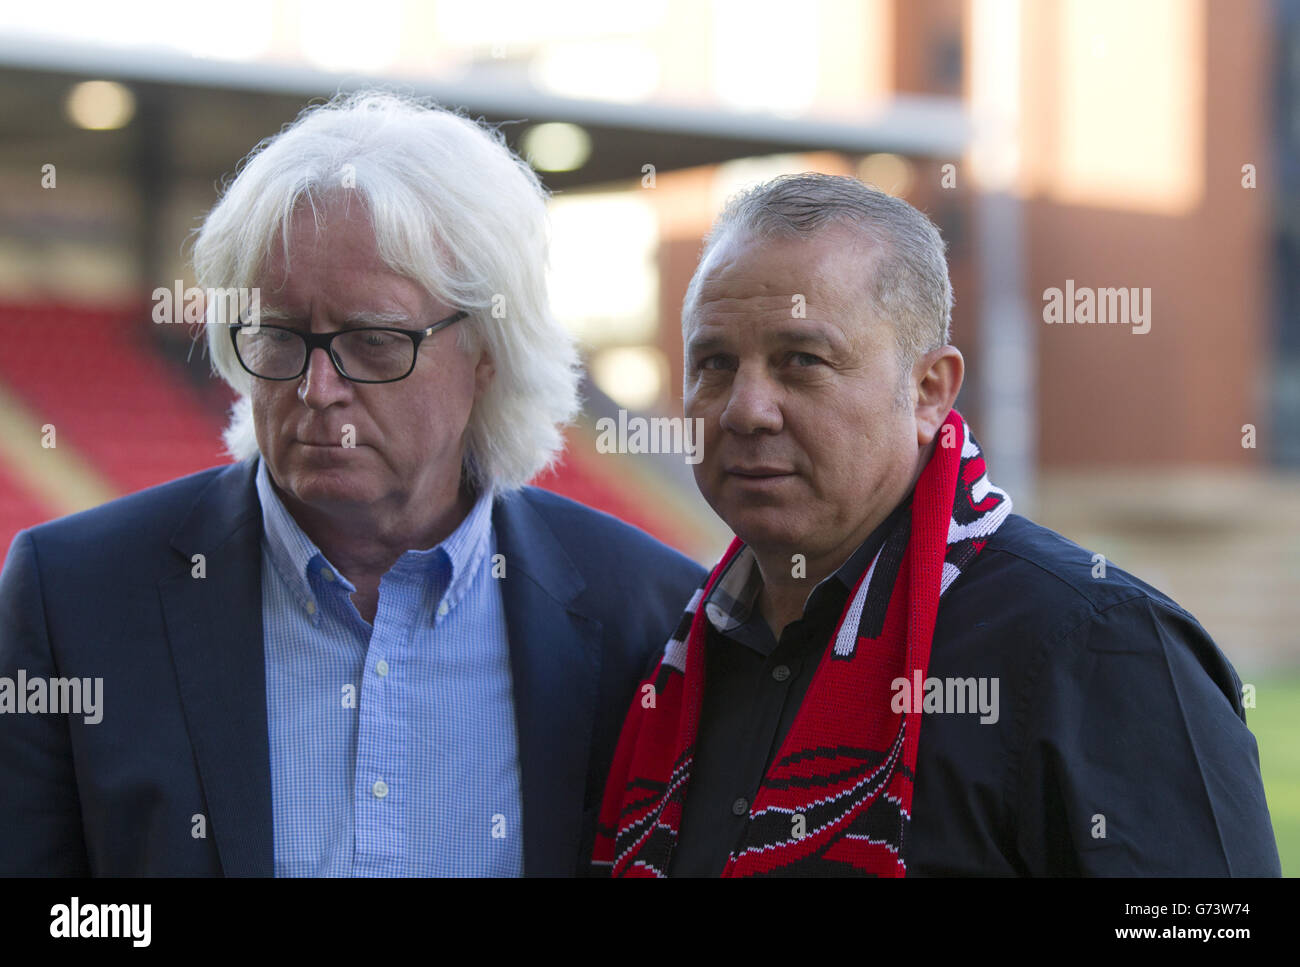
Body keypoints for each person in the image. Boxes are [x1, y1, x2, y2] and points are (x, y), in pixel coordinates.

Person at [0, 91, 704, 876]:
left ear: (486, 352)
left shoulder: (652, 616)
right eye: (278, 335)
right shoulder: (75, 598)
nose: (317, 387)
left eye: (373, 341)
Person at [594, 173, 1281, 876]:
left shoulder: (1098, 645)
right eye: (714, 364)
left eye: (800, 360)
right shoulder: (675, 661)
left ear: (929, 392)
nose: (746, 409)